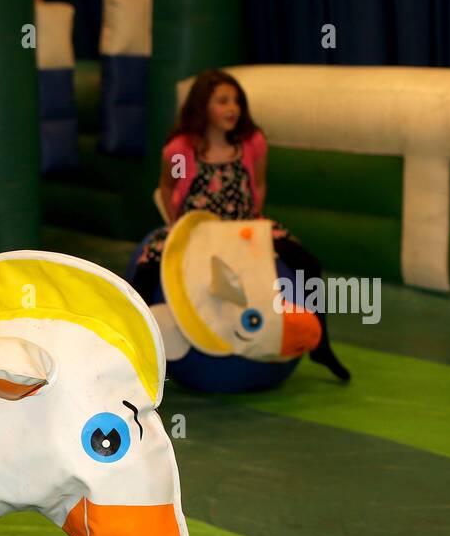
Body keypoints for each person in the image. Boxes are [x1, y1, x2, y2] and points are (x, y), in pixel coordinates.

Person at [133, 69, 349, 380]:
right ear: (202, 106)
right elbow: (167, 187)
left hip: (243, 226)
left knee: (307, 264)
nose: (232, 108)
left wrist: (253, 222)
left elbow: (258, 184)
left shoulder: (252, 142)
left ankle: (321, 344)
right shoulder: (180, 148)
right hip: (198, 230)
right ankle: (136, 347)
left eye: (236, 101)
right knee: (146, 272)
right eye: (222, 101)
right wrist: (176, 222)